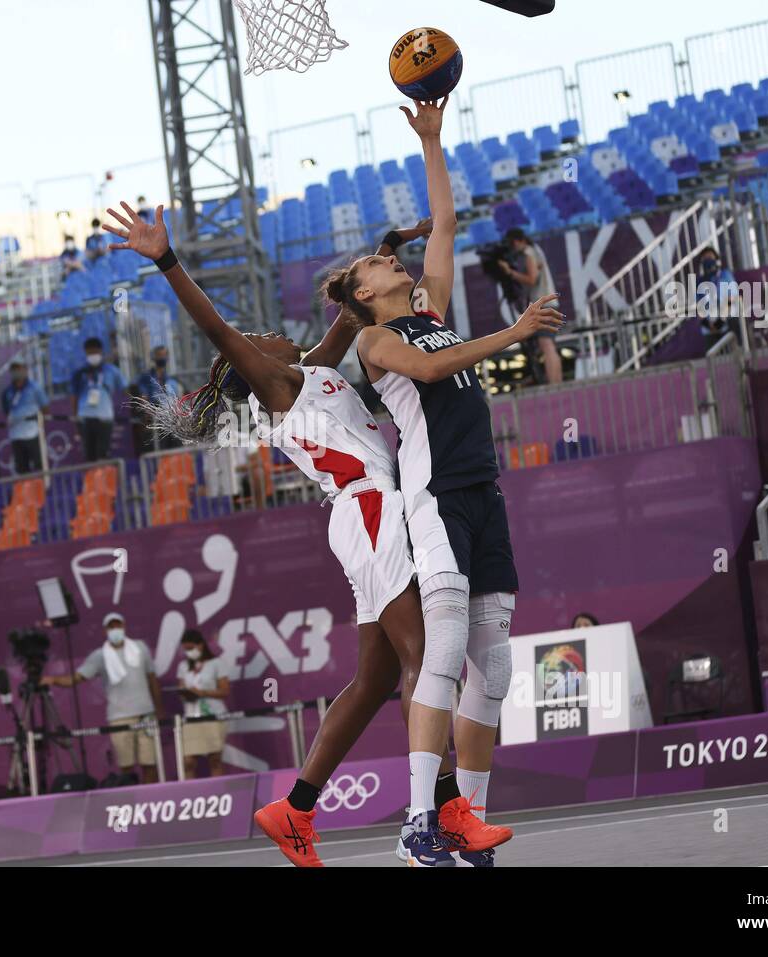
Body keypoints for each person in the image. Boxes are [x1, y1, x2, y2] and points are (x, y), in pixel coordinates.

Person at [105, 199, 505, 867]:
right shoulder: (276, 381)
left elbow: (355, 310)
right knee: (424, 661)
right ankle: (442, 817)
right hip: (371, 511)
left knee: (377, 679)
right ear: (253, 364)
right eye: (256, 337)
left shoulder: (313, 368)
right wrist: (167, 261)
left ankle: (294, 807)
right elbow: (218, 329)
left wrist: (384, 247)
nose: (265, 333)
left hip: (368, 517)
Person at [334, 97, 563, 865]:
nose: (390, 261)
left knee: (495, 664)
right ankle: (416, 820)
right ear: (363, 293)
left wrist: (433, 140)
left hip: (483, 490)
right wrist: (513, 333)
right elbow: (433, 368)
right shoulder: (374, 340)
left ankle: (468, 824)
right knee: (446, 648)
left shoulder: (427, 303)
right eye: (375, 265)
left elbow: (444, 223)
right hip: (432, 500)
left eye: (387, 258)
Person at [41, 612, 165, 784]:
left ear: (124, 626)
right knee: (126, 766)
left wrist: (159, 709)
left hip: (146, 714)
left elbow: (152, 678)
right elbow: (76, 678)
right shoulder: (99, 656)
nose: (115, 630)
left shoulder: (140, 648)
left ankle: (150, 800)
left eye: (118, 625)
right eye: (111, 627)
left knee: (150, 763)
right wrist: (53, 680)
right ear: (105, 630)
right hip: (119, 717)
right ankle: (131, 803)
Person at [498, 226, 561, 385]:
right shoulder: (536, 250)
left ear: (519, 241)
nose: (513, 249)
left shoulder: (528, 253)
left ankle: (555, 384)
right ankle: (557, 382)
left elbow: (532, 279)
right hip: (548, 302)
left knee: (546, 345)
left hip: (543, 303)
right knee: (549, 346)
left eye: (513, 244)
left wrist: (510, 273)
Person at [175, 629, 230, 778]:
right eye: (185, 649)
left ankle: (220, 797)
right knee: (188, 762)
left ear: (201, 645)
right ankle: (190, 797)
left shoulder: (216, 663)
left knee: (215, 759)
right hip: (191, 716)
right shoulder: (183, 666)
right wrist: (186, 693)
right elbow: (181, 688)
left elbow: (225, 691)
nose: (188, 652)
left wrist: (203, 693)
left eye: (191, 648)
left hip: (213, 715)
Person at [70, 337, 125, 463]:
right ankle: (92, 481)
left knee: (103, 455)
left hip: (105, 416)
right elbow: (74, 397)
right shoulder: (79, 373)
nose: (93, 355)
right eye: (90, 353)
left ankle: (104, 481)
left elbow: (124, 388)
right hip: (85, 417)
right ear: (85, 353)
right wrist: (76, 418)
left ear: (101, 352)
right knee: (90, 456)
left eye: (95, 352)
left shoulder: (111, 370)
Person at [130, 345, 184, 453]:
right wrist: (147, 412)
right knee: (159, 448)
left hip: (171, 418)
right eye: (159, 355)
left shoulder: (170, 379)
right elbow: (142, 396)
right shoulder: (146, 377)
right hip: (155, 418)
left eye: (164, 355)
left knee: (175, 449)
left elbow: (177, 398)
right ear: (153, 357)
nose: (162, 358)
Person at [1, 358, 50, 474]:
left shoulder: (35, 388)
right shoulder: (7, 392)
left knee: (39, 466)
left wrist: (39, 425)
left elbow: (45, 408)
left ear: (25, 369)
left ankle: (42, 490)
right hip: (16, 435)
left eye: (19, 368)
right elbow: (7, 411)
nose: (17, 372)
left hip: (33, 433)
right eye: (14, 369)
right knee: (22, 469)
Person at [694, 246, 739, 344]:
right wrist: (707, 324)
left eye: (710, 256)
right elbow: (698, 306)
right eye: (705, 258)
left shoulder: (725, 275)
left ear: (716, 259)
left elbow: (733, 297)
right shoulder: (699, 282)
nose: (708, 260)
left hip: (728, 325)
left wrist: (721, 321)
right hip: (709, 330)